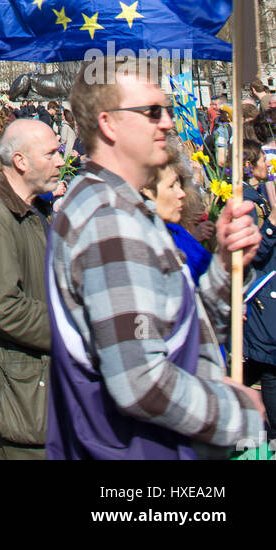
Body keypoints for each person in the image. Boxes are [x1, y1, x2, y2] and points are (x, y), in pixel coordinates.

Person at [46, 64, 266, 458]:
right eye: (152, 112)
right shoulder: (109, 218)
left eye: (165, 109)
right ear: (108, 124)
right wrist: (238, 415)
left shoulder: (125, 208)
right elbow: (140, 380)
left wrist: (226, 262)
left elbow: (179, 330)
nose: (167, 122)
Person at [0, 120, 61, 459]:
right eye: (51, 154)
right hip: (22, 400)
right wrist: (72, 326)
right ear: (20, 161)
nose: (61, 160)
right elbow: (0, 308)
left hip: (41, 390)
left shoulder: (33, 210)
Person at [141, 141, 212, 286]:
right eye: (171, 185)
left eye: (179, 184)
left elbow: (209, 282)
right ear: (145, 191)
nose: (181, 193)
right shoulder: (143, 249)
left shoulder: (177, 232)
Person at [242, 141, 276, 435]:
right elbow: (253, 254)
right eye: (264, 159)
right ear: (248, 166)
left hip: (269, 295)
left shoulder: (263, 193)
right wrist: (273, 222)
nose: (268, 164)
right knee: (268, 366)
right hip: (261, 296)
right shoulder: (247, 200)